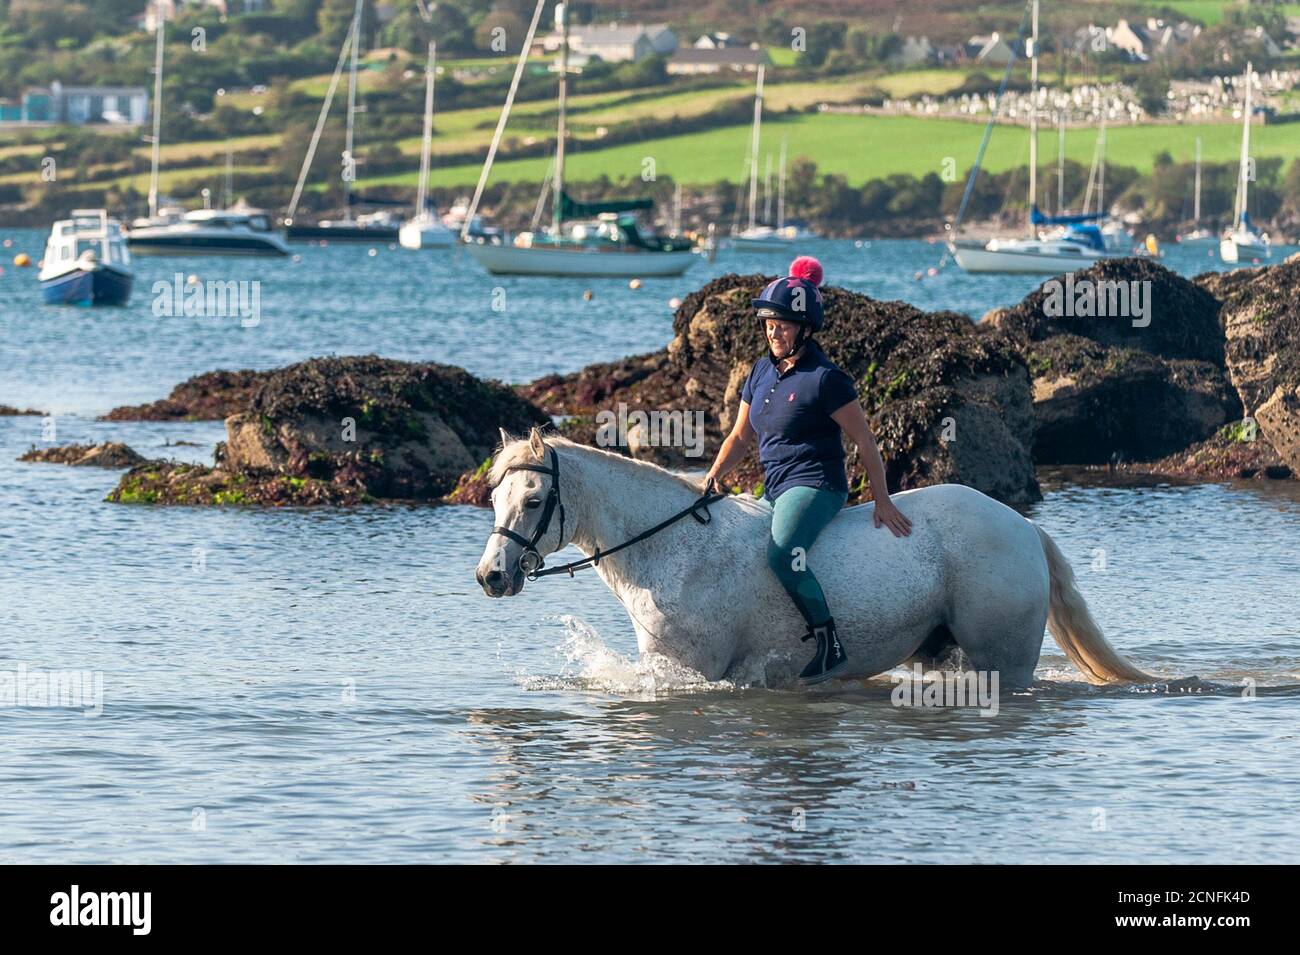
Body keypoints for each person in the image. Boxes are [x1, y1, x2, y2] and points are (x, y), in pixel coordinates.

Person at [704, 256, 912, 684]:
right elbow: (740, 438)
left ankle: (829, 644)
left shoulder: (826, 379)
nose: (773, 332)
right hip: (774, 486)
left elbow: (865, 442)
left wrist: (883, 499)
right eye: (767, 324)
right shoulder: (760, 371)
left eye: (781, 325)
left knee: (782, 554)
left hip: (816, 484)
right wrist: (712, 477)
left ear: (805, 328)